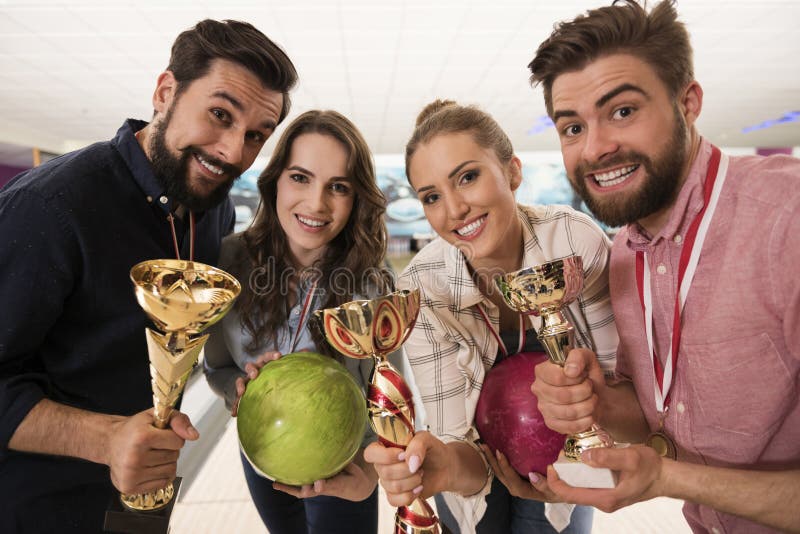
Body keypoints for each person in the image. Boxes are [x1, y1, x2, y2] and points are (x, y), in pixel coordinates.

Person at [0, 19, 297, 533]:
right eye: (219, 114)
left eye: (255, 136)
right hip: (36, 508)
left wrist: (240, 378)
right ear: (165, 93)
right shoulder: (51, 208)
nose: (232, 152)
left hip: (141, 506)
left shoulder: (212, 211)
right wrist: (106, 439)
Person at [527, 1, 800, 533]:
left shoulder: (786, 222)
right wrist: (598, 402)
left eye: (623, 111)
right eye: (572, 127)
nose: (597, 148)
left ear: (688, 101)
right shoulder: (626, 254)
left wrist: (667, 479)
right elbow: (659, 416)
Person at [364, 99, 619, 534]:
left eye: (467, 177)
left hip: (571, 460)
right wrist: (442, 468)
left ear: (513, 172)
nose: (454, 210)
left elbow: (619, 388)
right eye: (431, 197)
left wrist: (587, 466)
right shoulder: (420, 289)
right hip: (471, 462)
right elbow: (456, 442)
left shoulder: (574, 242)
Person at [203, 109, 393, 534]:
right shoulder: (228, 265)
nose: (315, 204)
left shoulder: (374, 282)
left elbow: (394, 396)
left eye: (338, 187)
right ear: (275, 182)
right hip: (263, 445)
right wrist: (236, 388)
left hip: (346, 459)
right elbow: (216, 367)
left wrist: (371, 471)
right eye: (300, 177)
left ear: (356, 197)